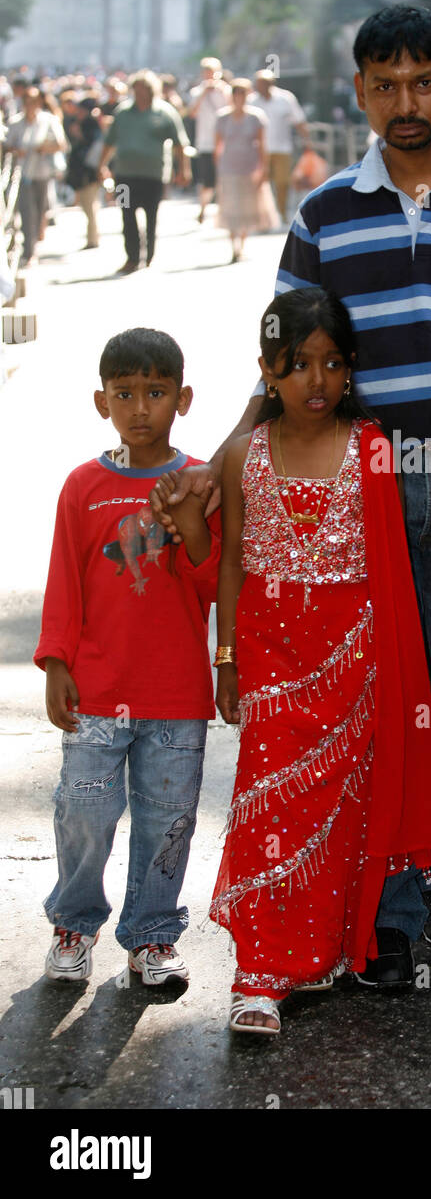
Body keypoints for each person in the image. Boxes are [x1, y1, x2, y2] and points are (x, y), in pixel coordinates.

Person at [154, 5, 431, 987]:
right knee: (382, 696)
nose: (405, 103)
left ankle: (424, 863)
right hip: (366, 481)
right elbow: (283, 360)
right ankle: (392, 905)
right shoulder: (326, 214)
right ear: (358, 92)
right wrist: (215, 469)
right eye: (383, 86)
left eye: (422, 82)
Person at [169, 288, 431, 1034]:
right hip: (267, 654)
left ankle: (325, 951)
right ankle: (260, 974)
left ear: (352, 370)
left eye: (332, 364)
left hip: (354, 657)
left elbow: (388, 568)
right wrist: (226, 658)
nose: (315, 382)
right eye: (296, 366)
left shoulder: (373, 448)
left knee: (340, 817)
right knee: (270, 804)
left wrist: (390, 669)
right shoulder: (241, 452)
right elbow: (228, 562)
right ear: (265, 370)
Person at [34, 328, 220, 987]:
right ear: (101, 401)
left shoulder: (199, 484)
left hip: (176, 695)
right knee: (82, 810)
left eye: (156, 391)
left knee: (168, 821)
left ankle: (152, 935)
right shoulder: (82, 487)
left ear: (183, 397)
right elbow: (65, 583)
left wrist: (192, 525)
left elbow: (211, 583)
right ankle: (73, 924)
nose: (141, 407)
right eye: (125, 393)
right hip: (96, 691)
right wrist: (56, 664)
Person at [100, 70, 191, 274]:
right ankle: (132, 257)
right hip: (124, 174)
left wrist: (184, 170)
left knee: (151, 215)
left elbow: (180, 144)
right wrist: (102, 165)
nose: (140, 94)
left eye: (144, 90)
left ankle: (148, 255)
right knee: (126, 214)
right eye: (137, 90)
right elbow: (109, 142)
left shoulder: (165, 112)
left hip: (153, 174)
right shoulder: (123, 113)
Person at [5, 86, 66, 266]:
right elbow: (8, 145)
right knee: (26, 211)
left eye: (33, 102)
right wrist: (17, 151)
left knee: (40, 210)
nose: (30, 105)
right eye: (27, 102)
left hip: (42, 172)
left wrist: (44, 148)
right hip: (22, 173)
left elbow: (61, 144)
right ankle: (29, 250)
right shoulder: (16, 123)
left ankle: (36, 240)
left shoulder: (48, 120)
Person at [213, 78, 268, 263]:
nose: (239, 98)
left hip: (249, 167)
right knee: (230, 207)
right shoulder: (222, 117)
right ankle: (232, 247)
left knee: (247, 207)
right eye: (236, 94)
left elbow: (262, 145)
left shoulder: (255, 117)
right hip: (228, 168)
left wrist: (263, 168)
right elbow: (217, 146)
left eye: (242, 94)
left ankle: (241, 246)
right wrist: (218, 168)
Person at [251, 69, 310, 222]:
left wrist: (307, 141)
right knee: (261, 184)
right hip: (258, 150)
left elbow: (299, 120)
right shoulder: (252, 101)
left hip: (282, 148)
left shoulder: (285, 99)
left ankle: (282, 212)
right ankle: (262, 215)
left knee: (282, 182)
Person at [188, 57, 230, 225]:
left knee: (224, 178)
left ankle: (223, 210)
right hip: (205, 142)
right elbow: (191, 113)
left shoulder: (226, 90)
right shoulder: (197, 92)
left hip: (225, 143)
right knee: (207, 179)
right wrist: (204, 93)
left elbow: (231, 109)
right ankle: (203, 209)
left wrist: (221, 91)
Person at [66, 95, 104, 249]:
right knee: (87, 205)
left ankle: (93, 239)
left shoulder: (91, 125)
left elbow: (92, 148)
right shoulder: (84, 124)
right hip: (82, 172)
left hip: (89, 173)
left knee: (90, 206)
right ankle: (92, 237)